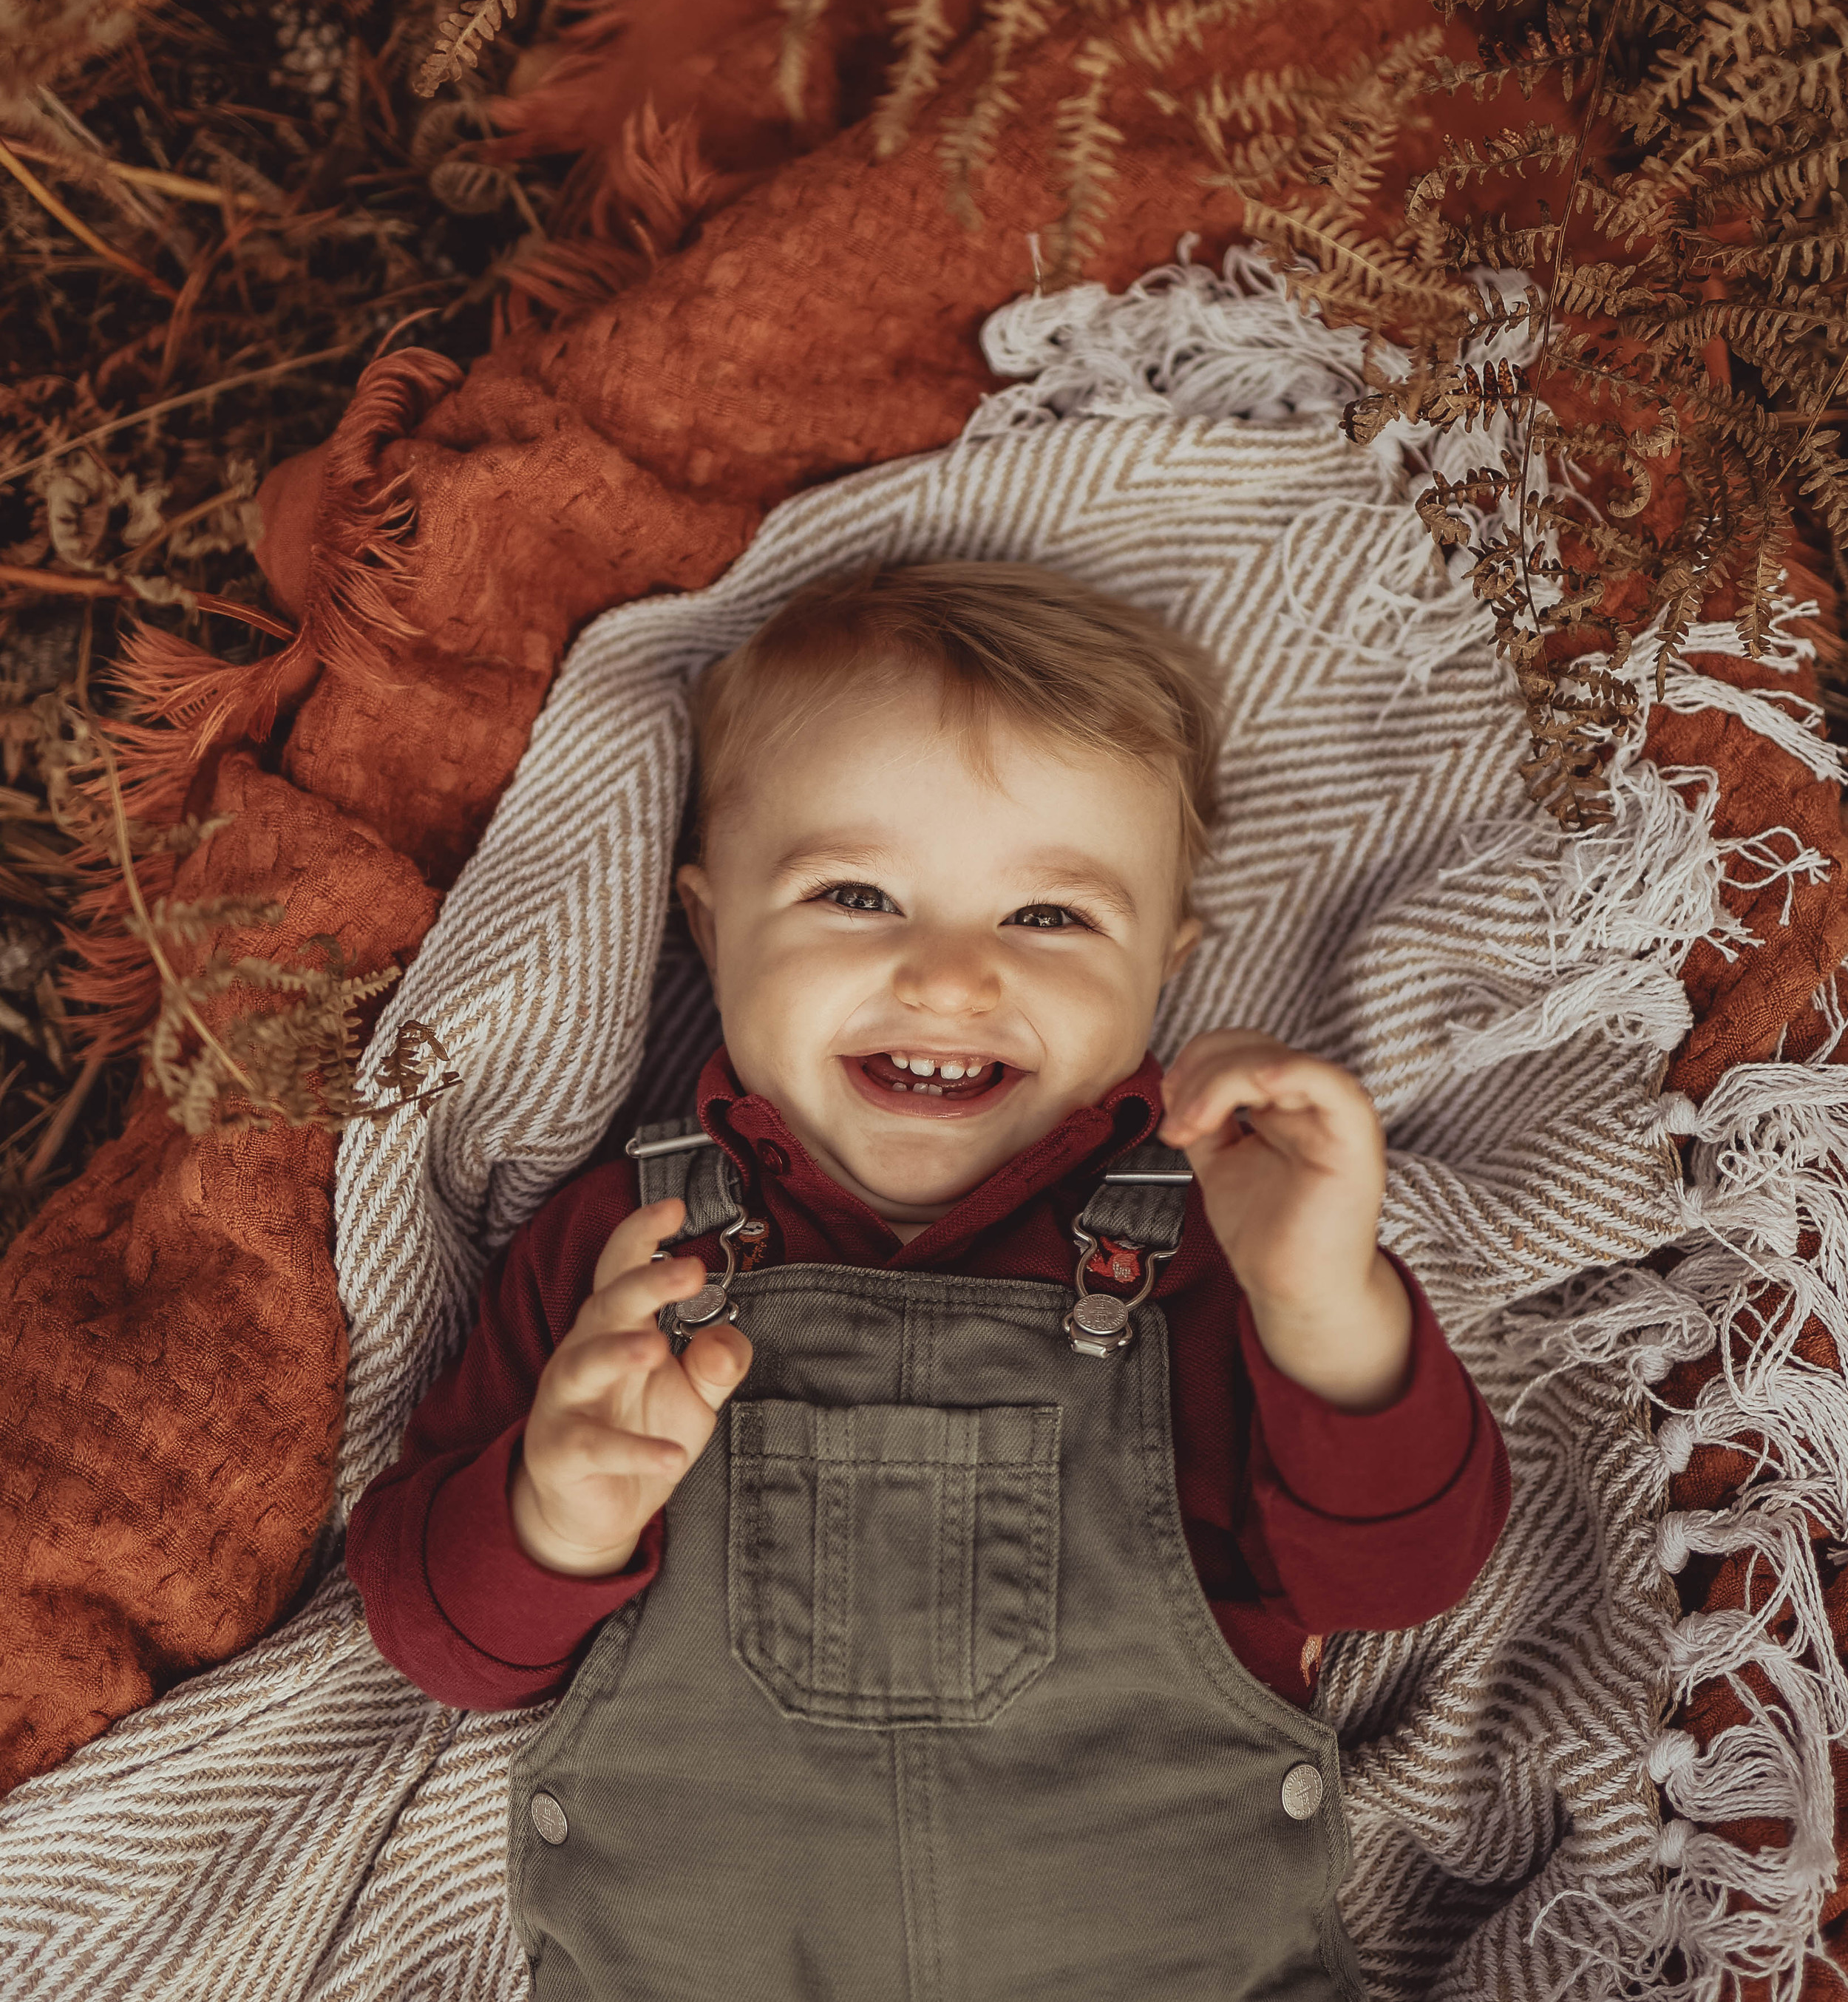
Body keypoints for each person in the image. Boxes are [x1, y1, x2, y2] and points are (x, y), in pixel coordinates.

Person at [348, 557, 1509, 2001]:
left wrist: (1327, 1306)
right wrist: (549, 1511)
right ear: (709, 929)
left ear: (1164, 965)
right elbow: (432, 1639)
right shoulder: (626, 1256)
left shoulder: (1219, 1255)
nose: (949, 977)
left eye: (1048, 919)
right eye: (855, 893)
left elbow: (1402, 1575)